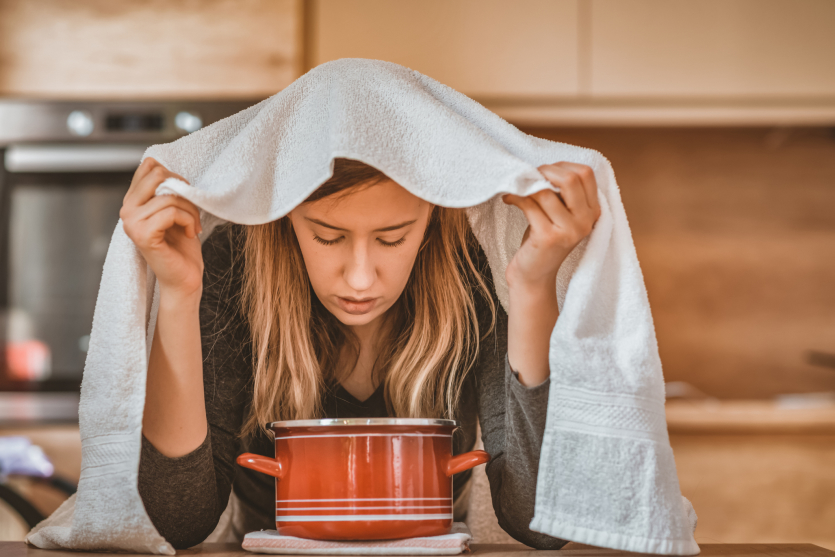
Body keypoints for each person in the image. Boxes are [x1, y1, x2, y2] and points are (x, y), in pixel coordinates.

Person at [121, 155, 601, 549]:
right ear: (286, 216)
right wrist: (179, 293)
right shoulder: (235, 268)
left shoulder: (473, 274)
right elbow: (175, 521)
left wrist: (533, 287)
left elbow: (540, 521)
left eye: (393, 238)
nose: (360, 279)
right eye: (327, 236)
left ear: (433, 216)